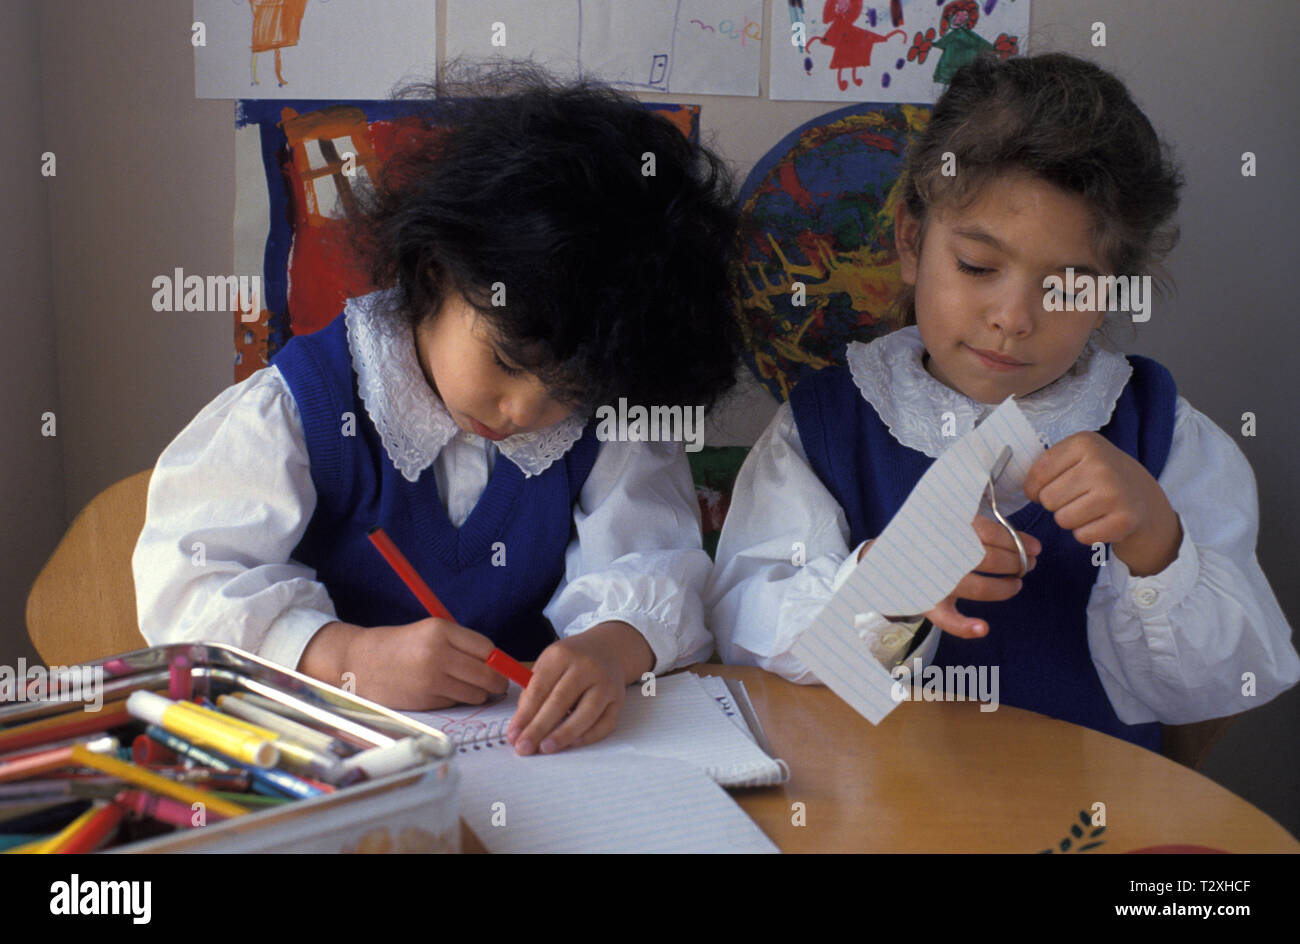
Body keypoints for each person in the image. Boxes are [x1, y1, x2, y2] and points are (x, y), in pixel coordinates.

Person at [134, 66, 743, 756]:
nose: (526, 410)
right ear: (435, 273)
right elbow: (190, 584)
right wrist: (343, 656)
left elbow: (656, 565)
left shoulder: (607, 420)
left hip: (531, 765)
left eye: (571, 391)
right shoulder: (301, 406)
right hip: (326, 763)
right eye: (508, 364)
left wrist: (612, 648)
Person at [707, 52, 1299, 750]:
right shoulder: (825, 428)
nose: (1014, 317)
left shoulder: (1167, 437)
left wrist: (1156, 545)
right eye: (978, 267)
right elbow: (748, 648)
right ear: (909, 241)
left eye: (1068, 285)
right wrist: (889, 590)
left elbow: (1223, 688)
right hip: (873, 813)